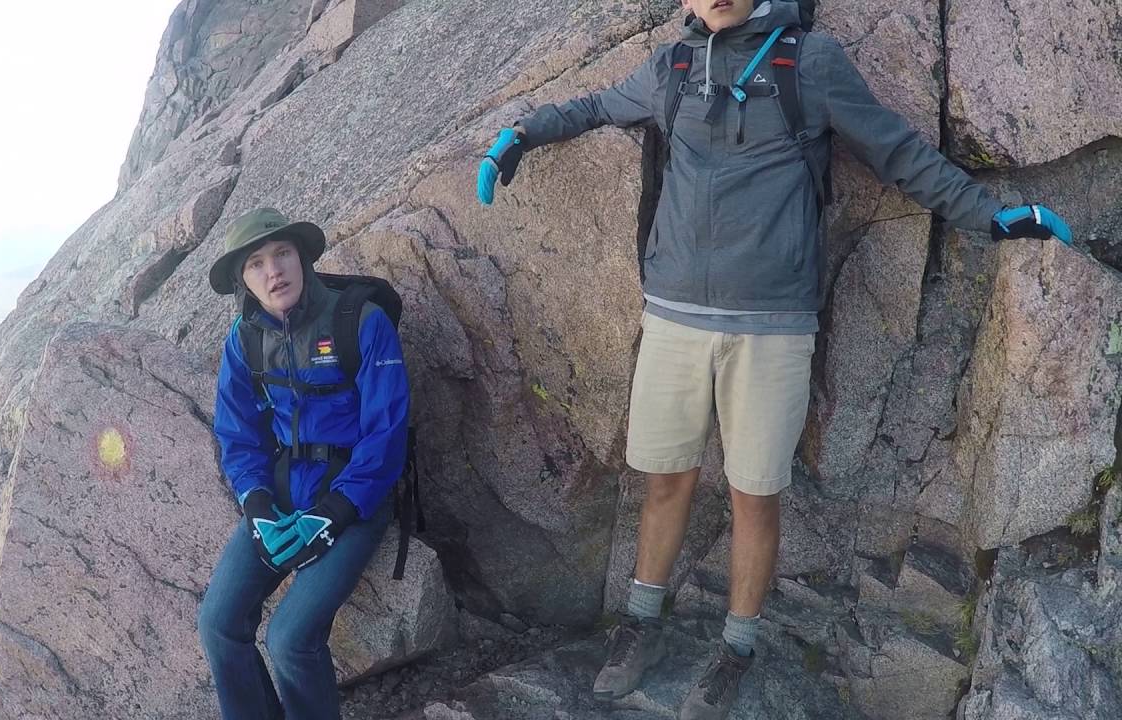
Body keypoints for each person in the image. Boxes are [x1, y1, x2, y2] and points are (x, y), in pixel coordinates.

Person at [476, 1, 1071, 718]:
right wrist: (522, 133)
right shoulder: (672, 67)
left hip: (774, 327)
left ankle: (736, 649)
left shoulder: (809, 61)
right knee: (664, 481)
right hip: (673, 319)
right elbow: (595, 106)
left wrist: (988, 215)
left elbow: (897, 151)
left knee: (754, 494)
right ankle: (640, 627)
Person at [197, 207, 411, 720]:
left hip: (356, 497)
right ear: (243, 281)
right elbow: (238, 435)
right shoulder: (244, 340)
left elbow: (386, 434)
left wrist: (334, 512)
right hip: (283, 493)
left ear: (302, 257)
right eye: (255, 264)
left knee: (290, 638)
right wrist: (257, 504)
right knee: (219, 624)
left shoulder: (361, 321)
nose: (273, 271)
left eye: (282, 254)